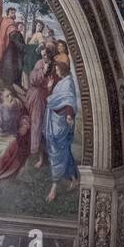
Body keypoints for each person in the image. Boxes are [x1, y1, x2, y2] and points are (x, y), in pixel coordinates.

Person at [45, 59, 80, 201]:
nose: (57, 71)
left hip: (62, 121)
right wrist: (50, 87)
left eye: (58, 69)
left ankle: (53, 188)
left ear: (63, 69)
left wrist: (70, 115)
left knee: (58, 153)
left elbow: (69, 100)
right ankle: (74, 179)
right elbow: (54, 98)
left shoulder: (68, 82)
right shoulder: (60, 82)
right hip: (53, 119)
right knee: (64, 151)